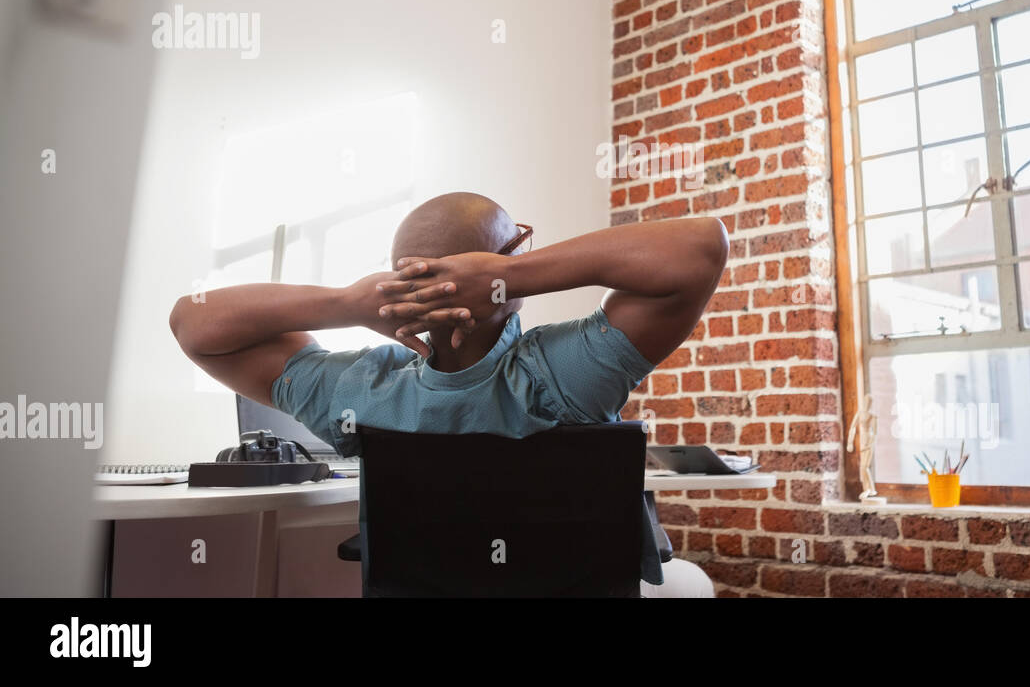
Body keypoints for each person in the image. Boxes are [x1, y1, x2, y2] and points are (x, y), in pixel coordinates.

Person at [169, 191, 728, 595]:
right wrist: (515, 274)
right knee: (690, 583)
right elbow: (700, 246)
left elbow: (194, 323)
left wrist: (348, 303)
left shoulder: (358, 391)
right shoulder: (567, 374)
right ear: (499, 265)